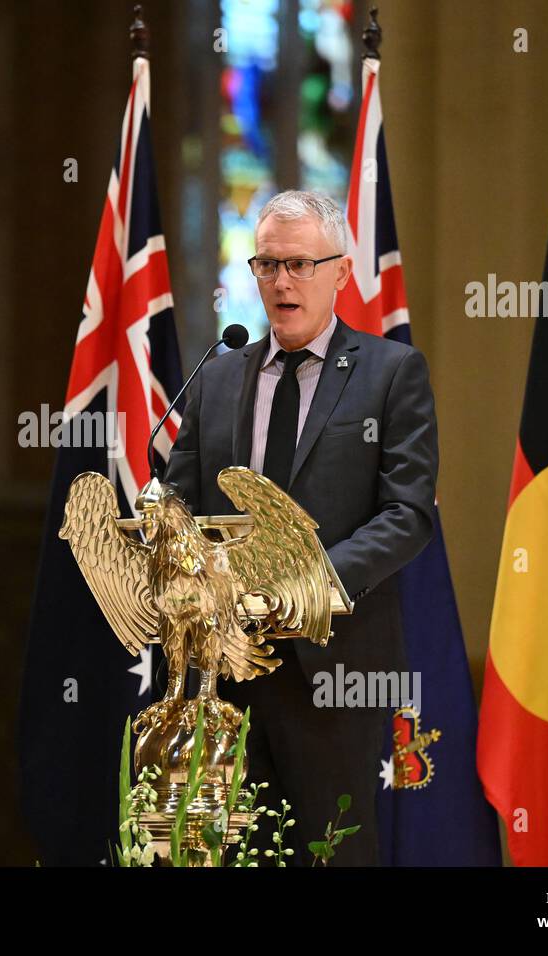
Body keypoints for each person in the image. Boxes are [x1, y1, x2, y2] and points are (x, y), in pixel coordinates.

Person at [164, 190, 438, 865]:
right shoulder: (218, 377)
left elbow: (407, 514)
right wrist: (165, 538)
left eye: (300, 265)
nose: (282, 282)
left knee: (329, 853)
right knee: (227, 853)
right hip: (221, 672)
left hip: (333, 669)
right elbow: (178, 497)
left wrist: (301, 585)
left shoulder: (390, 374)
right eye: (267, 265)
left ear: (340, 272)